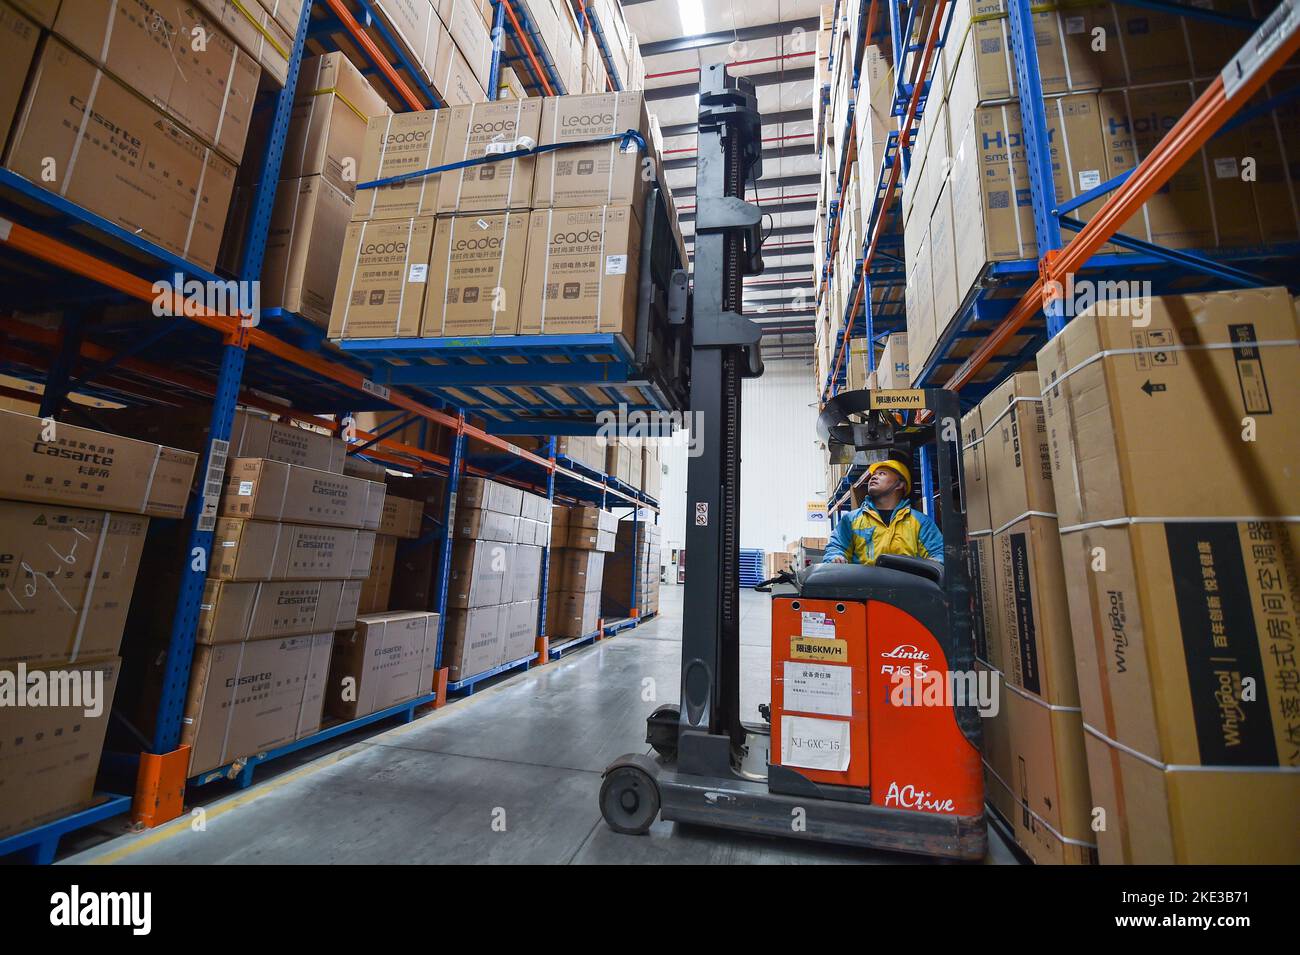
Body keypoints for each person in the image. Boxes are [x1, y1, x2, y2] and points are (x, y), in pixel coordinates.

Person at [823, 459, 943, 565]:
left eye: (882, 474)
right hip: (865, 588)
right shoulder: (851, 520)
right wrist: (836, 557)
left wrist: (936, 562)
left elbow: (938, 553)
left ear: (900, 484)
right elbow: (836, 547)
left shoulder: (920, 522)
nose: (873, 477)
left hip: (906, 588)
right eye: (873, 475)